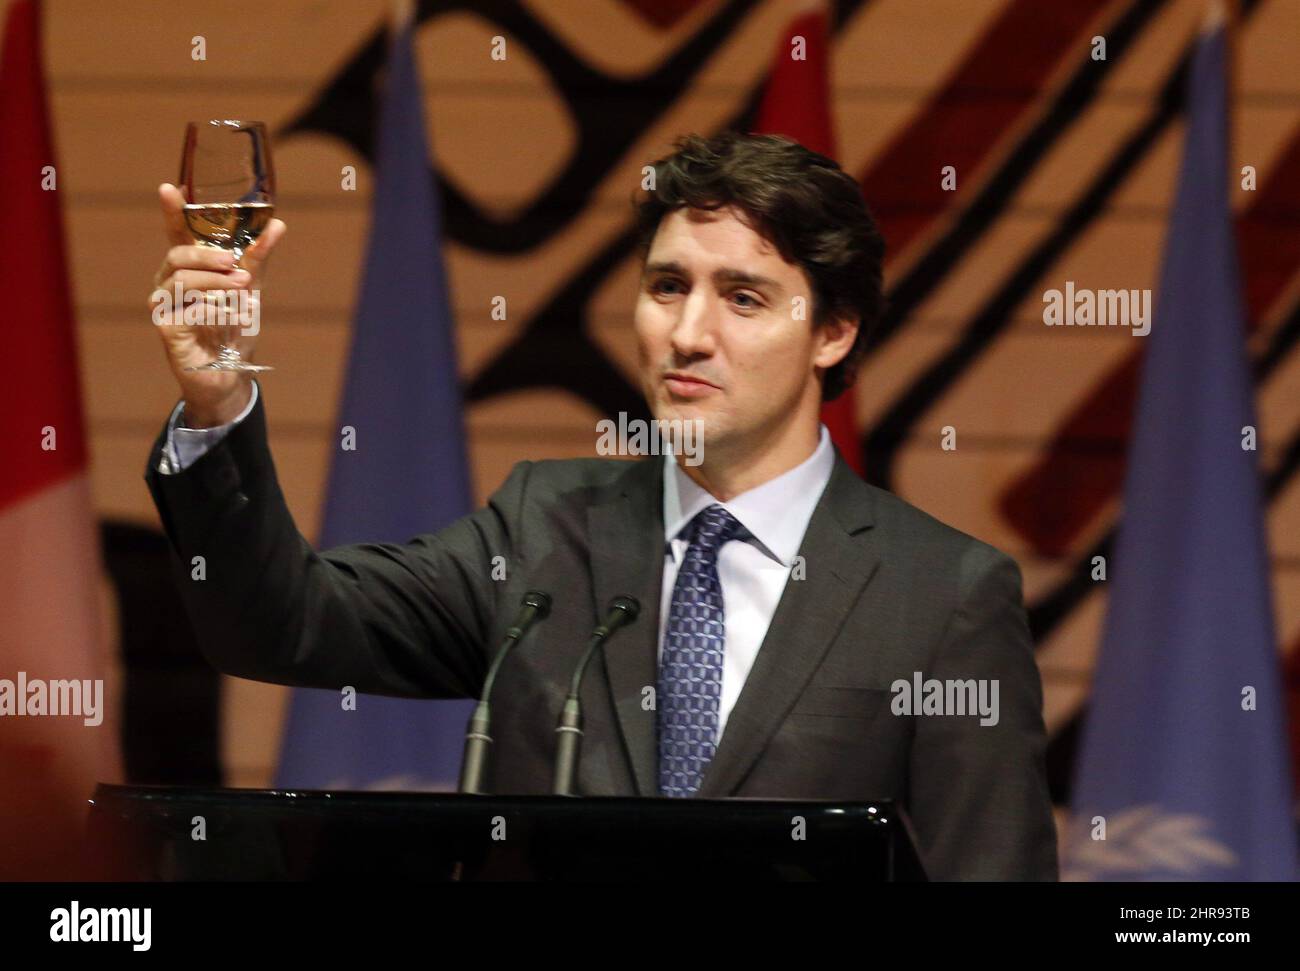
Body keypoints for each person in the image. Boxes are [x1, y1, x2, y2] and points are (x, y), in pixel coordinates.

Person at [144, 131, 1058, 880]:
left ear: (833, 331)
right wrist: (218, 400)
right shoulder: (546, 526)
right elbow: (281, 623)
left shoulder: (943, 595)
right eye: (667, 286)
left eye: (743, 297)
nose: (687, 334)